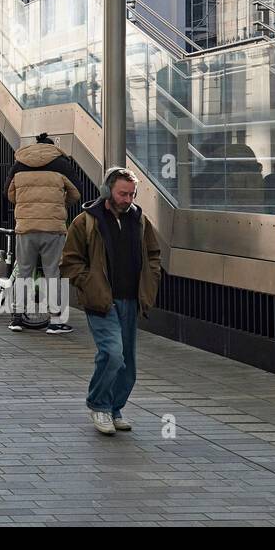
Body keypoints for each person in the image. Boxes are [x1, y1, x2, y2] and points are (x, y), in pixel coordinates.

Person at [59, 167, 162, 436]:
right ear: (107, 191)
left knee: (128, 363)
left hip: (131, 300)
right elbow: (69, 261)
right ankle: (99, 404)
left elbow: (153, 253)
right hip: (101, 300)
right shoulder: (86, 221)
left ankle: (115, 407)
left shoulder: (140, 220)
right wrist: (88, 283)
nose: (128, 199)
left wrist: (151, 278)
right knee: (113, 354)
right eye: (122, 193)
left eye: (132, 194)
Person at [5, 132, 80, 335]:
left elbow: (9, 193)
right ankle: (55, 322)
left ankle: (17, 318)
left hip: (26, 228)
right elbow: (76, 192)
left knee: (24, 272)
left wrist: (26, 206)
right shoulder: (61, 163)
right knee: (53, 273)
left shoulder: (19, 163)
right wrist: (60, 206)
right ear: (51, 146)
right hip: (53, 229)